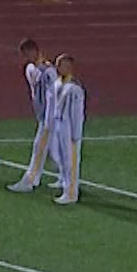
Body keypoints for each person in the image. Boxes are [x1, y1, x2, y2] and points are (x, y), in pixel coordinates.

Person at [7, 38, 63, 194]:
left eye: (27, 53)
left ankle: (30, 181)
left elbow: (55, 95)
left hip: (49, 117)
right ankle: (67, 178)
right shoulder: (31, 69)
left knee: (39, 148)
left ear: (34, 51)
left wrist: (50, 118)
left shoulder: (48, 71)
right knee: (53, 150)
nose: (26, 57)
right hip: (42, 115)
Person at [50, 54, 85, 205]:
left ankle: (71, 193)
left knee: (70, 160)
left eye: (62, 65)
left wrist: (75, 134)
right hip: (58, 124)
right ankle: (64, 183)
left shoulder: (74, 88)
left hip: (68, 127)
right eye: (58, 65)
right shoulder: (58, 83)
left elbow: (77, 113)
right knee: (61, 157)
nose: (58, 68)